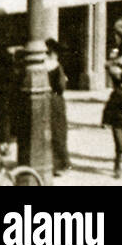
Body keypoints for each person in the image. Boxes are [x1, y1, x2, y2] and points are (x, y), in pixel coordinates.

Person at [44, 39, 69, 175]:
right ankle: (61, 164)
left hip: (44, 100)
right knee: (59, 132)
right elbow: (61, 86)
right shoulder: (56, 66)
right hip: (56, 101)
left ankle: (52, 162)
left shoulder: (41, 65)